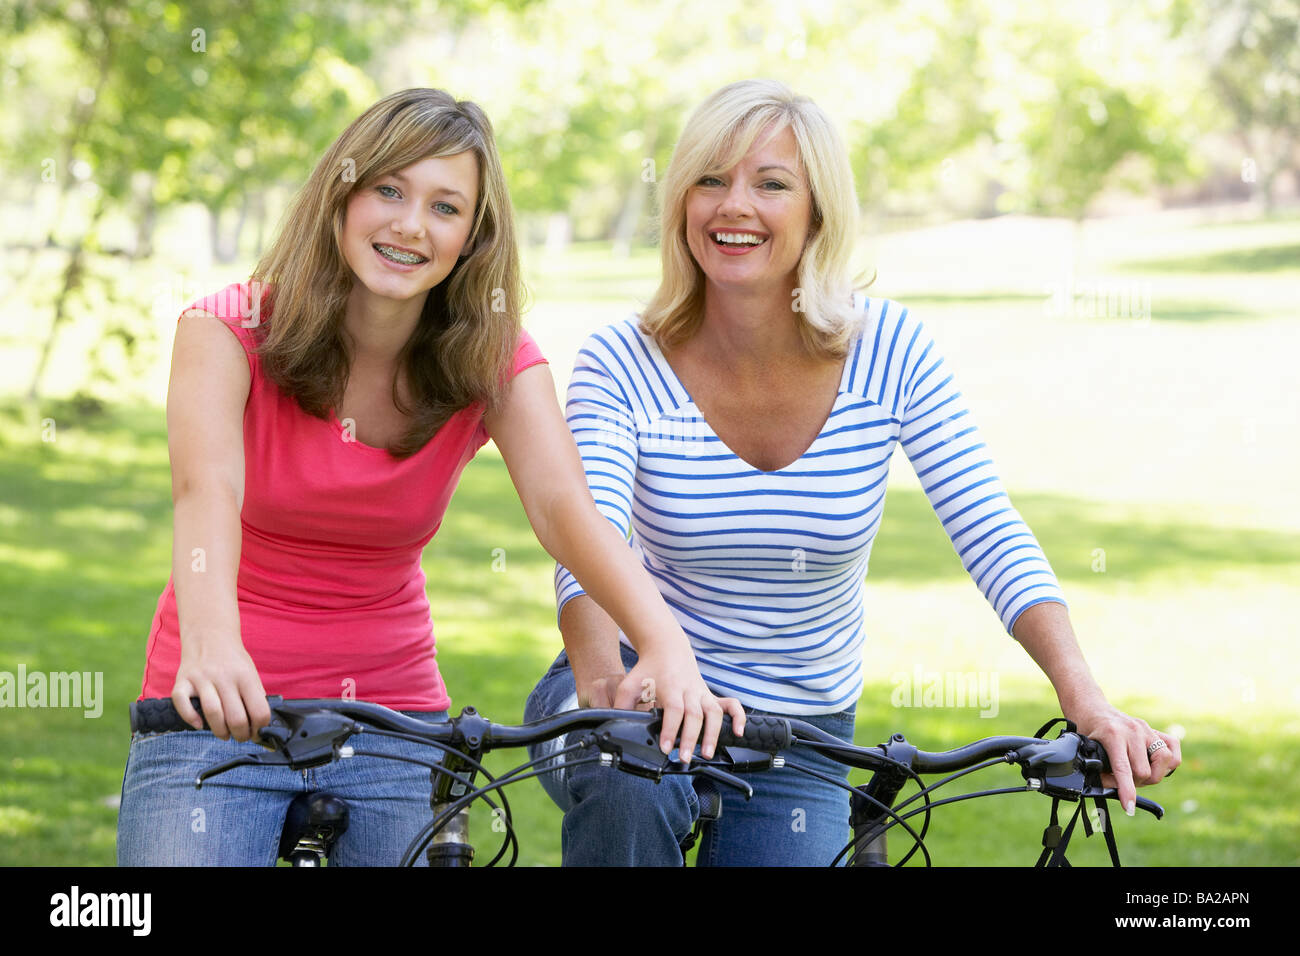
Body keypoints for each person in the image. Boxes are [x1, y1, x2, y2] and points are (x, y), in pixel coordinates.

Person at [524, 79, 1182, 866]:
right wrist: (602, 680)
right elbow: (585, 532)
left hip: (797, 736)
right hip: (636, 692)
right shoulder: (619, 358)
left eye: (771, 184)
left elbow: (990, 530)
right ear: (680, 203)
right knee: (627, 778)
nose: (735, 205)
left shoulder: (889, 349)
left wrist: (1085, 700)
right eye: (710, 180)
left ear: (818, 213)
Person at [116, 88, 744, 866]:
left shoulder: (495, 357)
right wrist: (212, 645)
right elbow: (205, 491)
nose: (411, 224)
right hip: (216, 699)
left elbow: (564, 509)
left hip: (392, 716)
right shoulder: (226, 329)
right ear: (340, 198)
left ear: (472, 240)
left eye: (445, 208)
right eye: (388, 190)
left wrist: (662, 643)